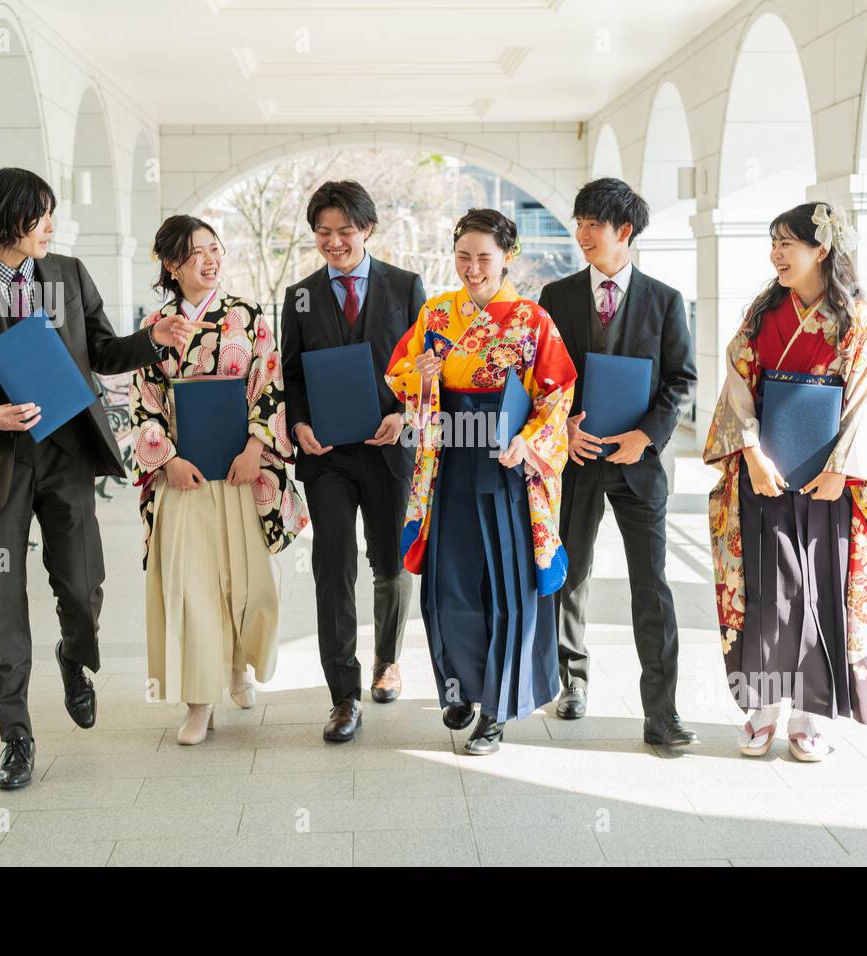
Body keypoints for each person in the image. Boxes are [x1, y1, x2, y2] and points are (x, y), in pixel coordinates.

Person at [0, 167, 207, 789]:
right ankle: (16, 737)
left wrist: (150, 339)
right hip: (2, 462)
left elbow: (101, 352)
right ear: (8, 220)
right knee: (5, 603)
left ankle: (75, 655)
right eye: (42, 215)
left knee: (82, 586)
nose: (52, 227)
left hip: (68, 453)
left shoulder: (69, 275)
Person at [703, 201, 867, 762]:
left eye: (788, 243)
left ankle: (809, 717)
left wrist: (840, 471)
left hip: (828, 479)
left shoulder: (855, 319)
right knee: (766, 593)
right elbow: (738, 384)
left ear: (822, 250)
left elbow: (864, 401)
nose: (776, 254)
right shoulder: (764, 314)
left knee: (818, 593)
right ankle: (762, 712)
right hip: (764, 472)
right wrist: (753, 456)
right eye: (773, 242)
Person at [385, 209, 577, 755]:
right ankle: (459, 687)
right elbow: (400, 372)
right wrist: (421, 380)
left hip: (507, 467)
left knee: (504, 594)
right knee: (450, 591)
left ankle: (494, 710)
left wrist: (531, 441)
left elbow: (557, 393)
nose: (472, 269)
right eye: (463, 257)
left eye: (484, 258)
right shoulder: (436, 314)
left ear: (507, 257)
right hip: (449, 461)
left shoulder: (532, 319)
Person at [131, 215, 307, 746]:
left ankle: (238, 665)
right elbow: (145, 401)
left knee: (249, 582)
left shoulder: (248, 316)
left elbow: (269, 384)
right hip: (183, 474)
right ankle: (198, 701)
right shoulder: (155, 327)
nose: (210, 260)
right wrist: (165, 461)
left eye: (215, 249)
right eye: (196, 252)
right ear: (170, 264)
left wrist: (257, 447)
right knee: (190, 587)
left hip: (240, 470)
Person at [540, 178, 699, 748]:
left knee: (650, 586)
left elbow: (682, 381)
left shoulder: (664, 300)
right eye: (578, 223)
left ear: (624, 232)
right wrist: (564, 423)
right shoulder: (555, 298)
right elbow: (543, 378)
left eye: (593, 225)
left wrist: (647, 437)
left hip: (639, 465)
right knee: (570, 574)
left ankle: (662, 711)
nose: (582, 234)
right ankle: (571, 682)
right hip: (578, 459)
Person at [280, 181, 426, 743]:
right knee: (332, 566)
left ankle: (388, 659)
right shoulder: (299, 295)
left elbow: (426, 365)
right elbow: (291, 373)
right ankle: (343, 695)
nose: (334, 241)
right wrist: (299, 425)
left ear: (367, 229)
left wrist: (406, 415)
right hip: (328, 457)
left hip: (390, 449)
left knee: (391, 562)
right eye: (323, 232)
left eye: (345, 230)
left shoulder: (407, 287)